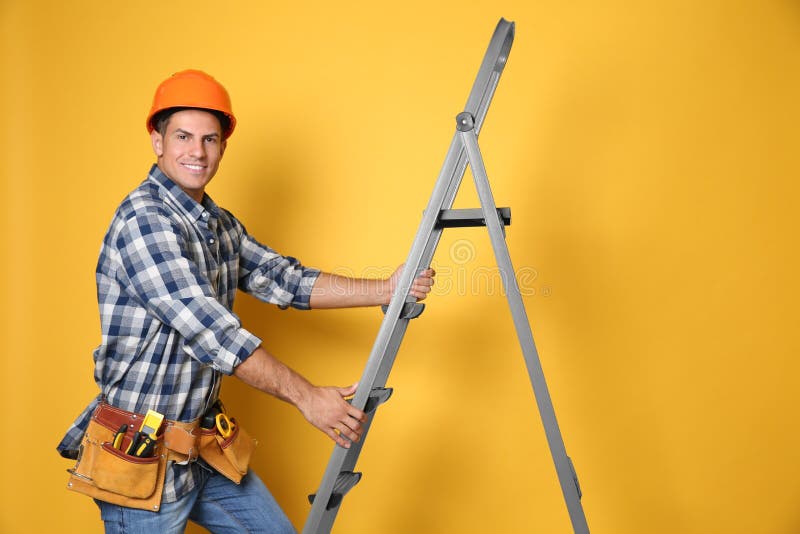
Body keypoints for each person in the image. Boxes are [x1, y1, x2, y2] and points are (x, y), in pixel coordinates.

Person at [57, 69, 435, 533]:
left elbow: (284, 279)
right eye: (183, 136)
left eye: (209, 139)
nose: (197, 152)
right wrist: (308, 398)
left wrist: (384, 290)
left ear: (222, 148)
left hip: (201, 446)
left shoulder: (216, 223)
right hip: (141, 456)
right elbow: (214, 333)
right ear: (157, 141)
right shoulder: (145, 221)